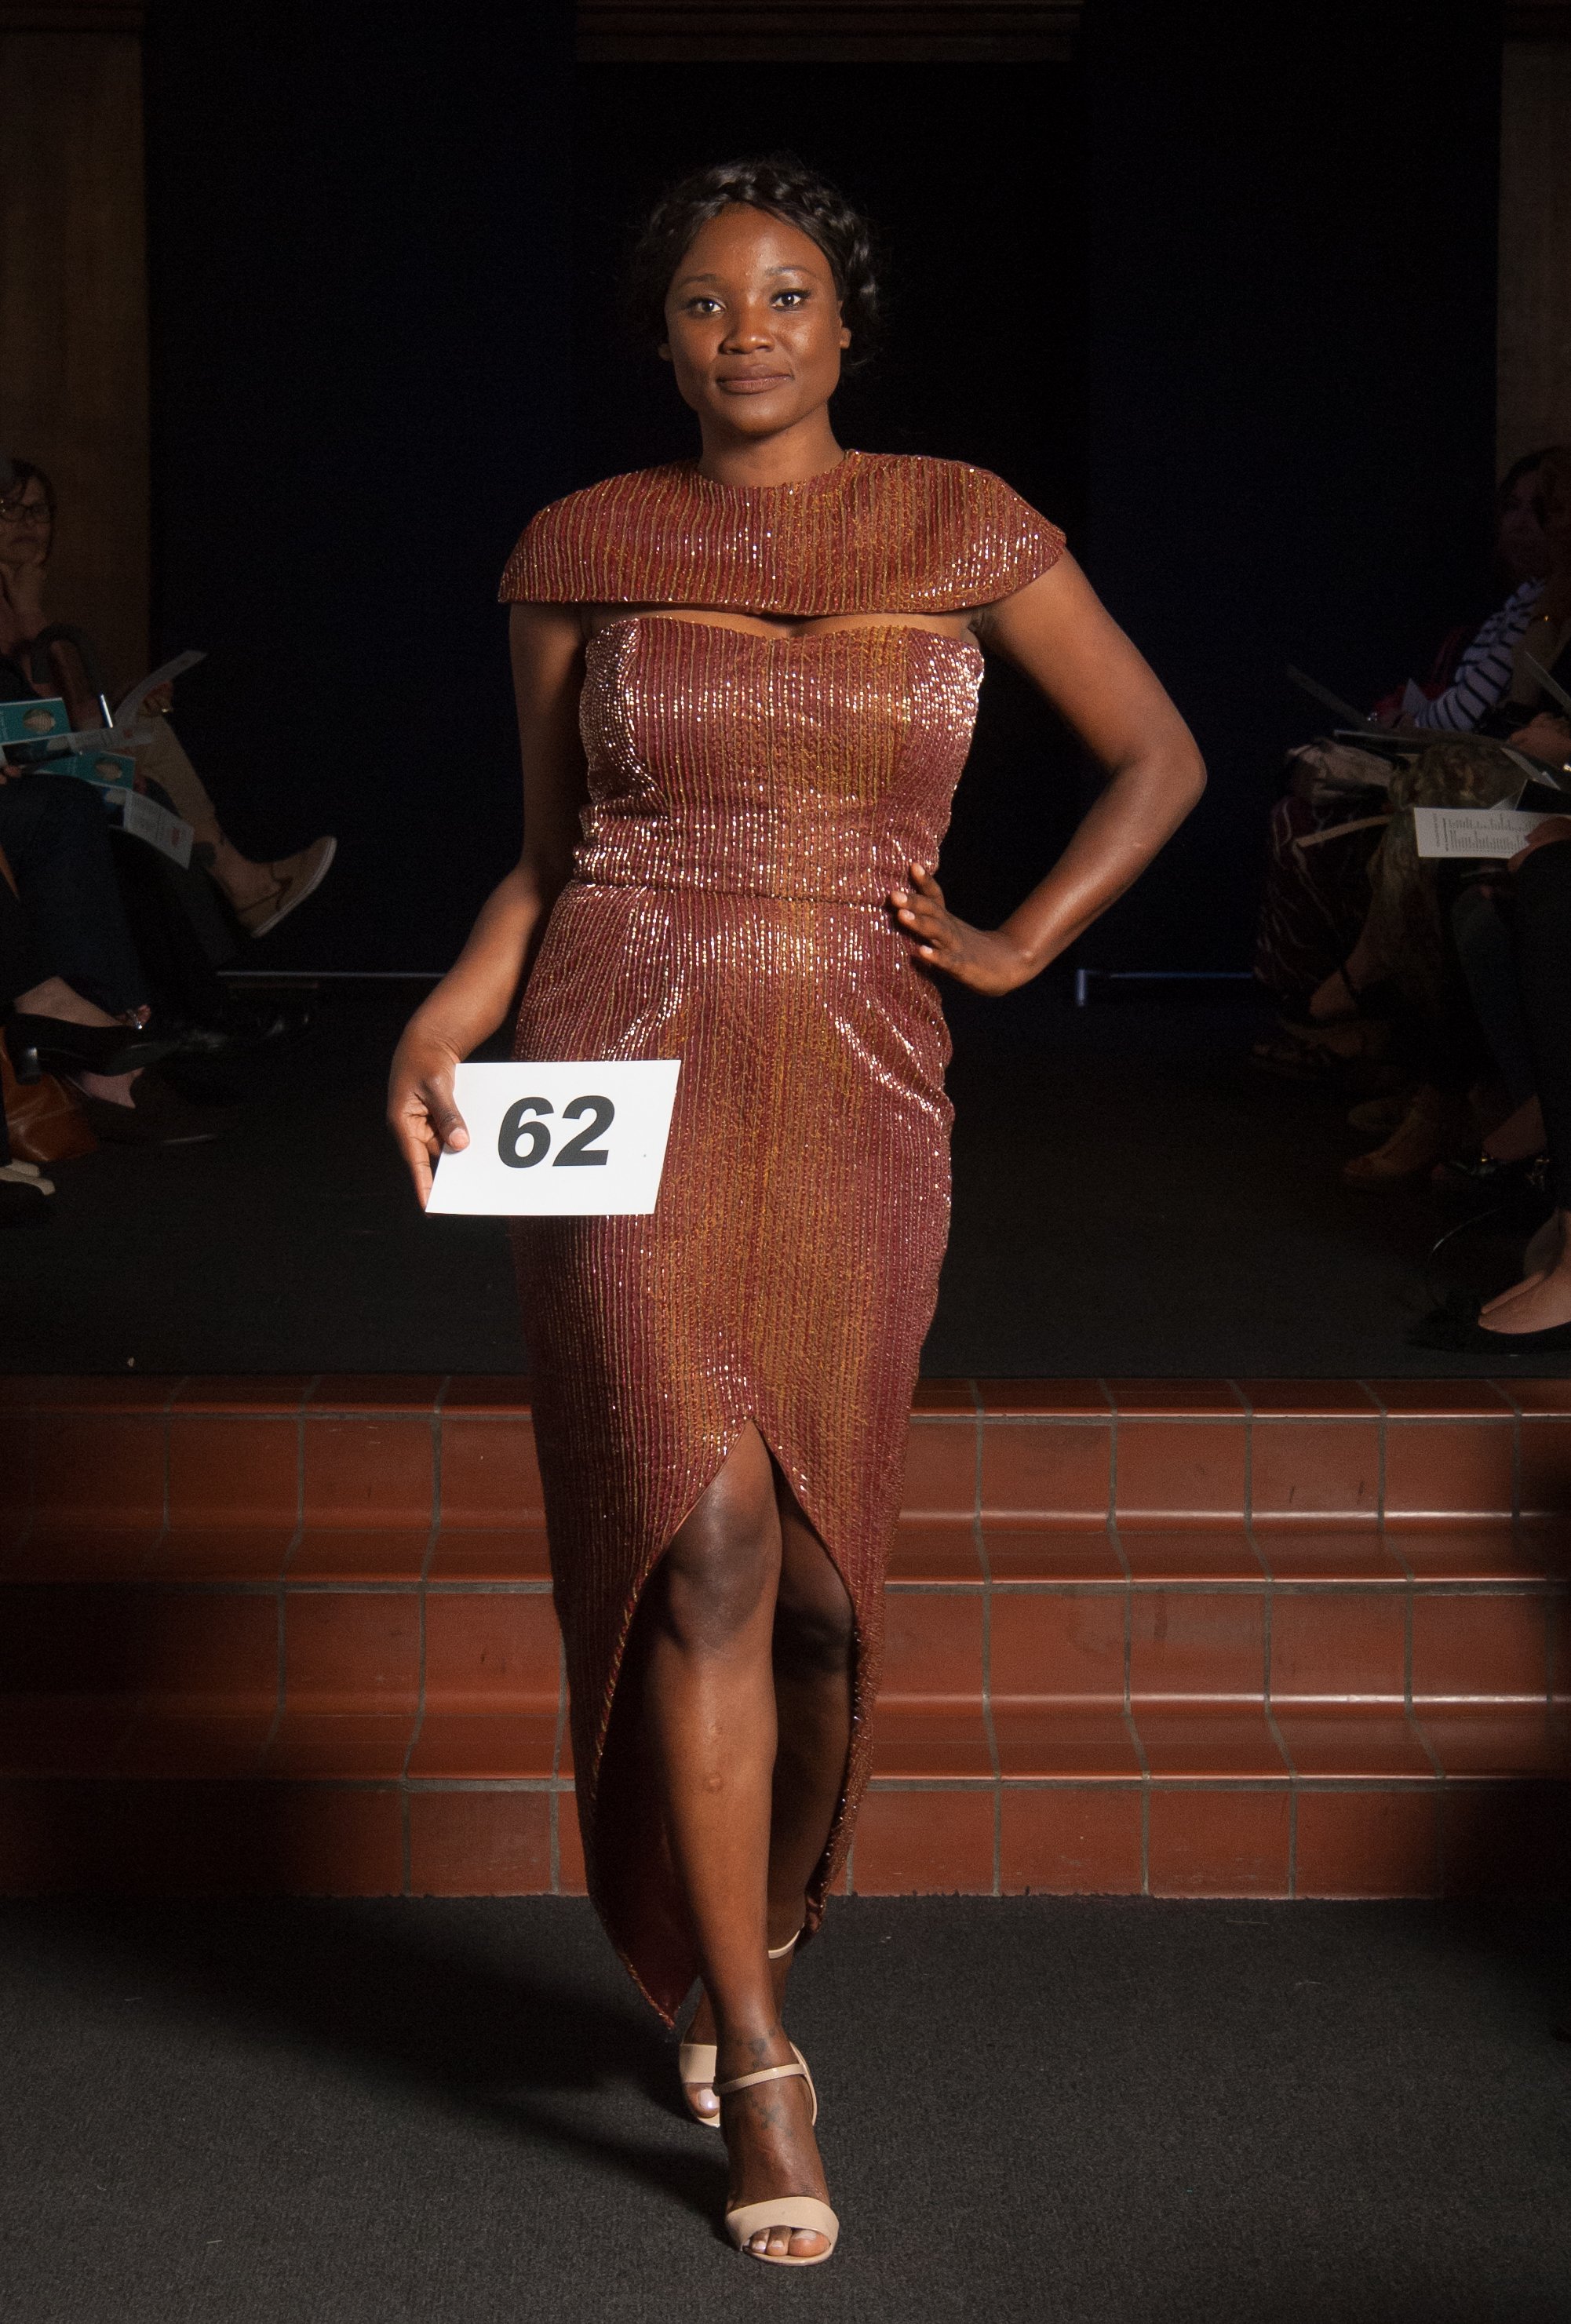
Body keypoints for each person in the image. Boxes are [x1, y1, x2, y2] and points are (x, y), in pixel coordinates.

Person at [388, 158, 1203, 2267]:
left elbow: (1161, 759)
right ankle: (755, 2052)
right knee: (704, 1530)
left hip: (860, 1070)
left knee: (821, 1569)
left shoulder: (960, 521)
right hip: (611, 1044)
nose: (739, 333)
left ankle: (736, 1909)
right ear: (658, 338)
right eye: (698, 304)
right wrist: (449, 1016)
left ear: (849, 324)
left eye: (780, 297)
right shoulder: (580, 545)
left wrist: (1022, 943)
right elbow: (551, 849)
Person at [0, 459, 336, 936]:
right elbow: (37, 717)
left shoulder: (21, 591)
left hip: (50, 750)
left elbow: (67, 708)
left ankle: (239, 887)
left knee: (149, 730)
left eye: (39, 509)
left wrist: (126, 699)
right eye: (10, 508)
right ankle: (244, 887)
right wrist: (31, 611)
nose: (29, 522)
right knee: (138, 761)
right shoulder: (17, 604)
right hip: (17, 769)